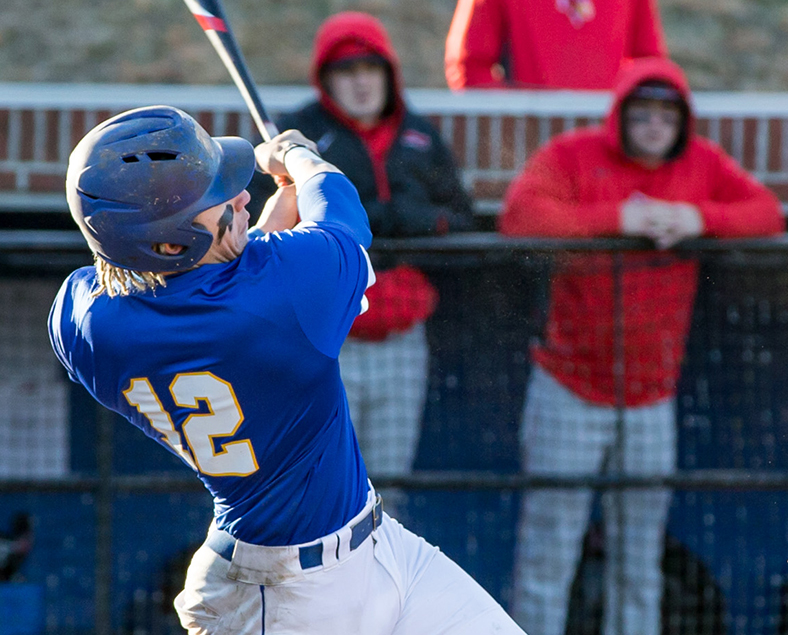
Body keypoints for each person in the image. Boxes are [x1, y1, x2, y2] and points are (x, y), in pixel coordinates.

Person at [48, 105, 524, 634]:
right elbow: (343, 217)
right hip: (288, 599)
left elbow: (215, 285)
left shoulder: (86, 324)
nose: (243, 195)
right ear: (172, 240)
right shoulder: (281, 298)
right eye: (218, 199)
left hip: (374, 550)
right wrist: (300, 156)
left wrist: (267, 214)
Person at [499, 57, 784, 635]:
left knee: (639, 556)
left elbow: (767, 213)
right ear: (620, 116)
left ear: (682, 122)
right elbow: (521, 215)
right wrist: (616, 217)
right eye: (643, 113)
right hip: (569, 388)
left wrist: (698, 217)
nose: (655, 125)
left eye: (667, 114)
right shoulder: (573, 155)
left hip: (651, 396)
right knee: (548, 553)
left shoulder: (701, 164)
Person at [248, 11, 474, 515]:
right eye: (346, 70)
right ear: (327, 80)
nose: (361, 81)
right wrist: (371, 216)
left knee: (387, 488)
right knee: (317, 481)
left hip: (400, 335)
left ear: (388, 73)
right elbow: (263, 233)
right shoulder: (298, 137)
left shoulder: (419, 135)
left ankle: (380, 596)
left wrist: (419, 221)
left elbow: (463, 219)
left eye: (370, 68)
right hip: (326, 337)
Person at [444, 0, 666, 90]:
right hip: (530, 136)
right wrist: (514, 116)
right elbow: (470, 65)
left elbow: (650, 67)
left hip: (605, 141)